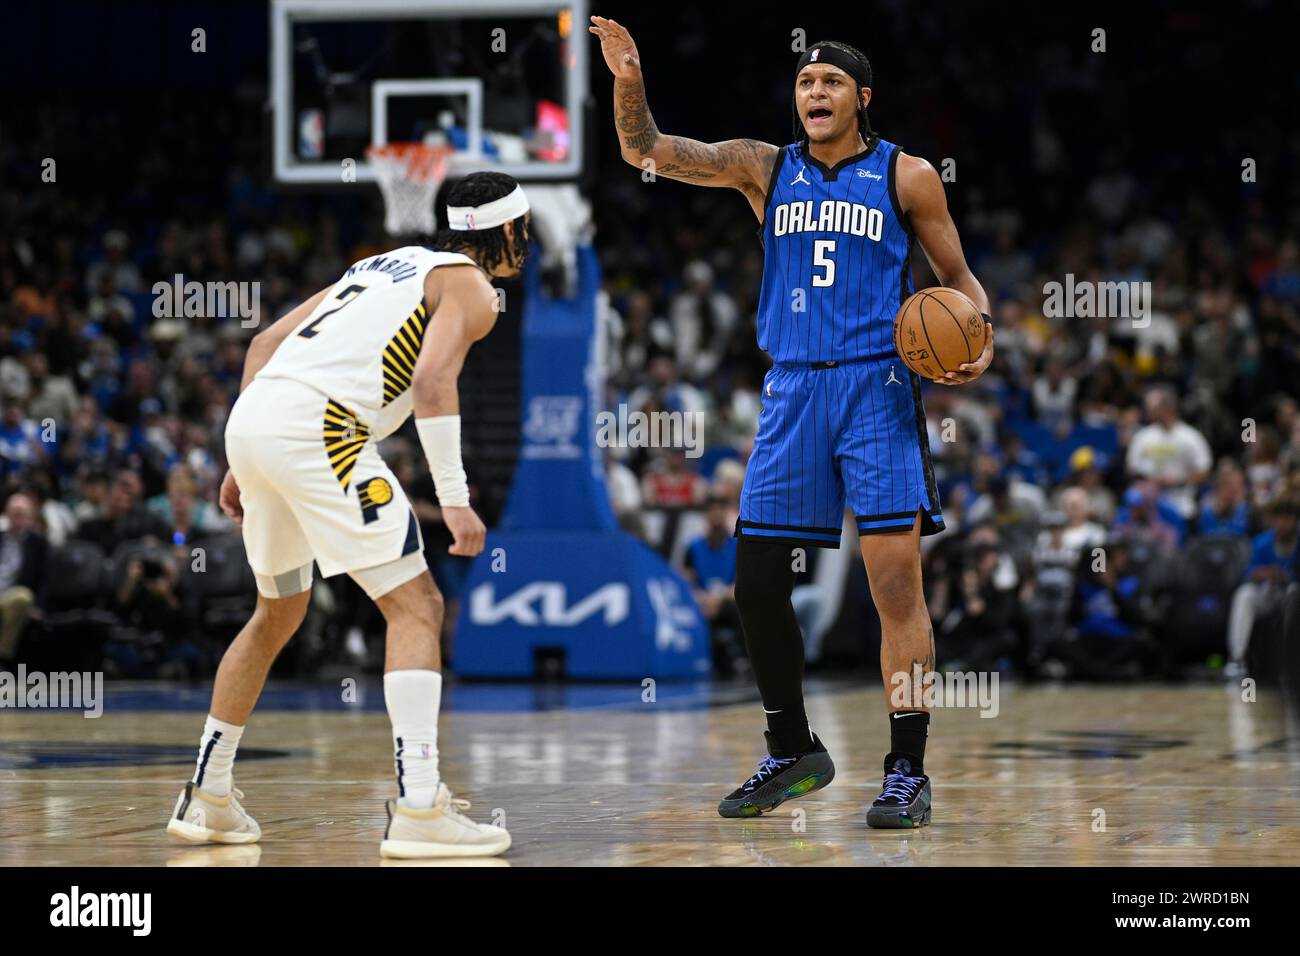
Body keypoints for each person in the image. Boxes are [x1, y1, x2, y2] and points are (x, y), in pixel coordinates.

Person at [591, 17, 994, 828]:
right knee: (757, 585)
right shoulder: (763, 168)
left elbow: (960, 282)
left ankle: (906, 773)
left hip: (877, 390)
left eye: (831, 83)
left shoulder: (907, 176)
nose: (815, 92)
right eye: (807, 83)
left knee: (895, 587)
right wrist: (628, 77)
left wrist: (977, 341)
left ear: (861, 98)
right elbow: (651, 151)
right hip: (792, 393)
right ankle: (792, 748)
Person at [165, 172, 530, 859]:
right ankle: (421, 808)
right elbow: (430, 381)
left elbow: (262, 345)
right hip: (320, 428)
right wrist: (455, 498)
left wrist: (243, 457)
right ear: (509, 231)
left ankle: (207, 796)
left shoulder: (378, 265)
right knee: (417, 606)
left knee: (275, 613)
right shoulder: (474, 288)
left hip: (259, 417)